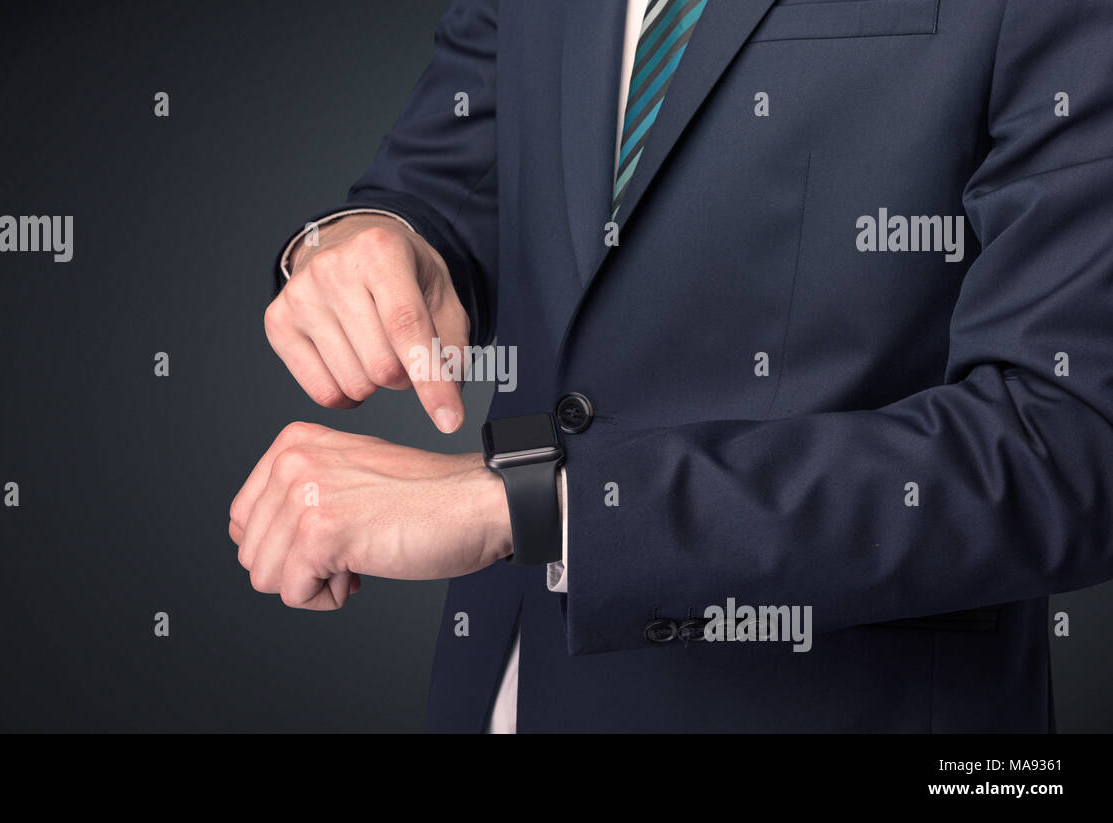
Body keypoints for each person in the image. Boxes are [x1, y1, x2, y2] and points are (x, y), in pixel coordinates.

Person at [229, 0, 1113, 732]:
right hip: (499, 688)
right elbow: (455, 166)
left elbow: (1067, 441)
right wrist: (370, 240)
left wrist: (535, 502)